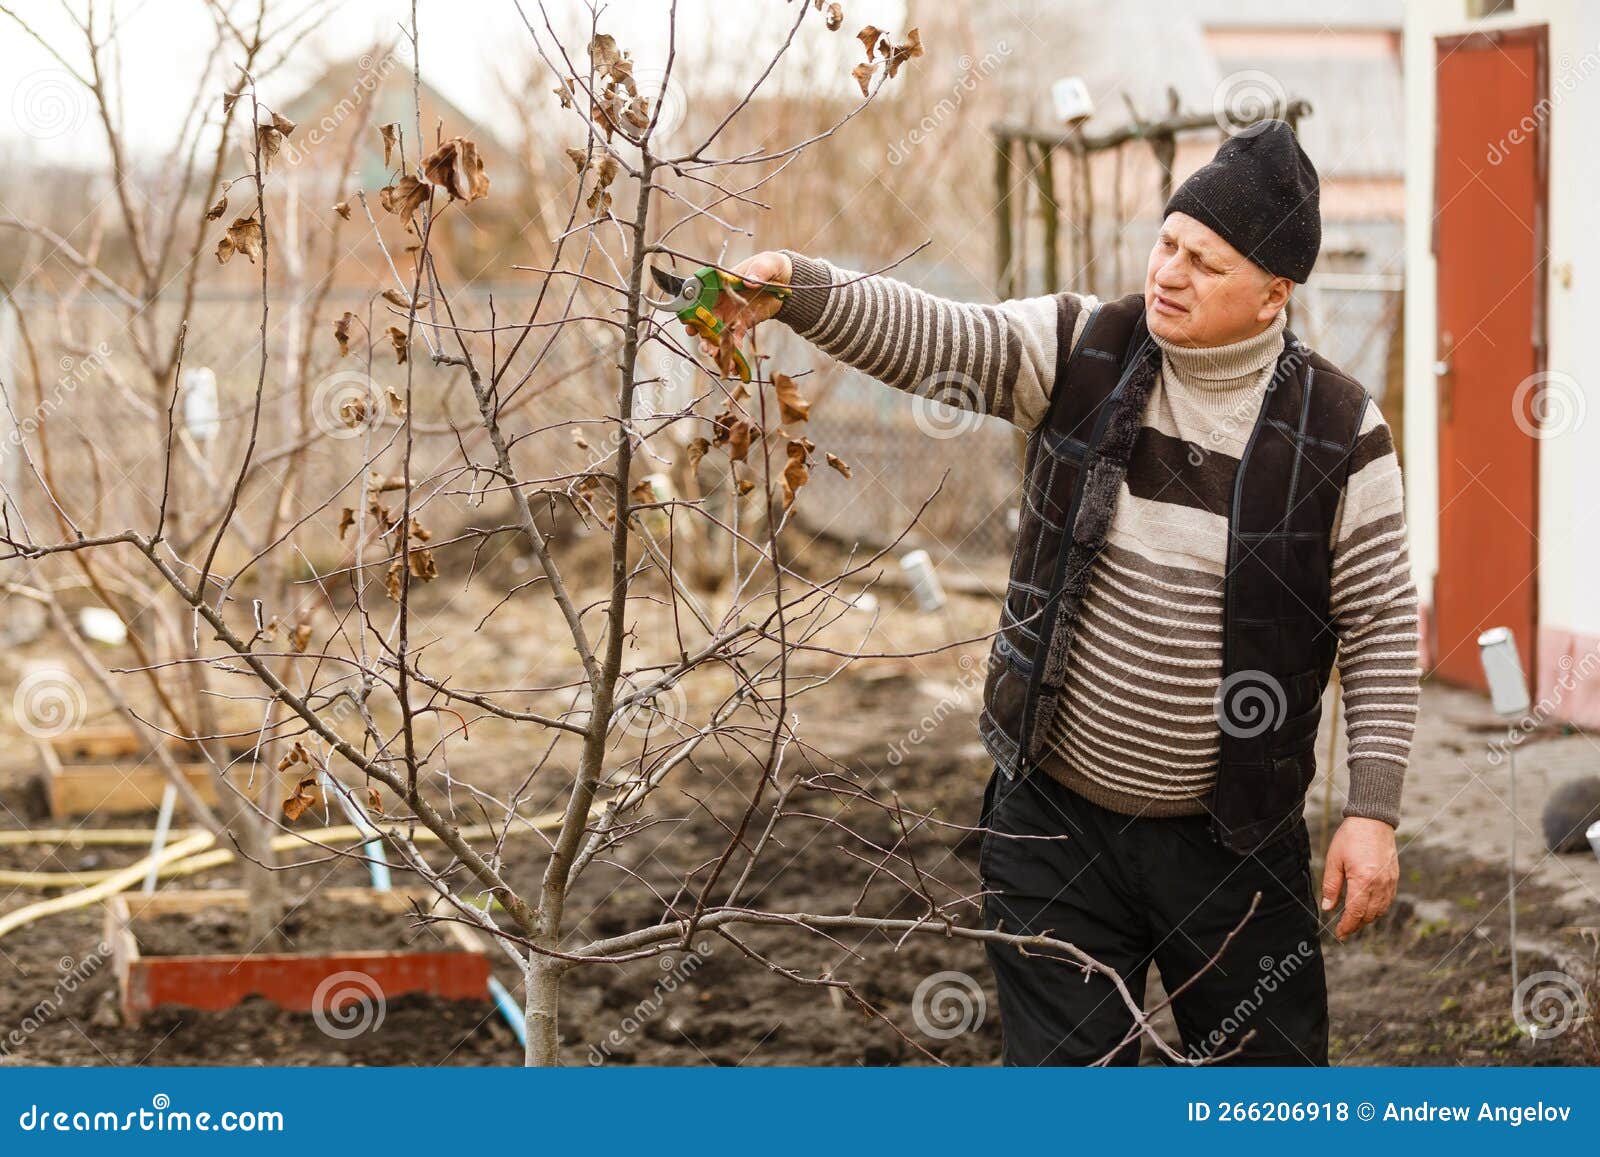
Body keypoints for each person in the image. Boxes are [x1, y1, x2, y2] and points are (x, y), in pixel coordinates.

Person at [688, 120, 1420, 1066]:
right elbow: (942, 336)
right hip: (1055, 828)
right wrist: (800, 286)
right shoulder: (1087, 347)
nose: (1170, 272)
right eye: (1167, 242)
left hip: (1234, 843)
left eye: (1205, 261)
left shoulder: (1338, 428)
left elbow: (1381, 623)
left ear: (1275, 291)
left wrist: (1373, 810)